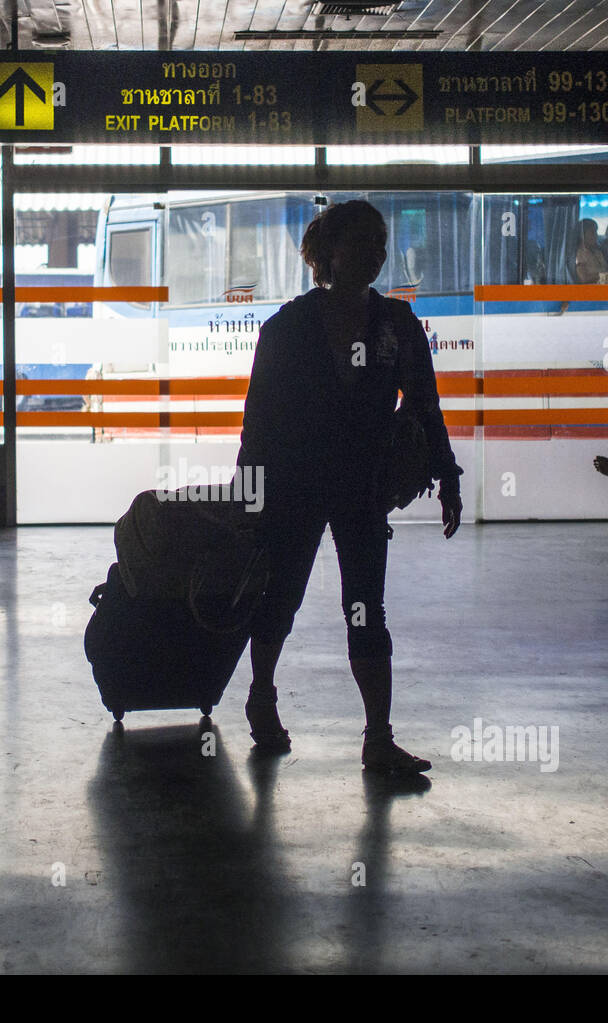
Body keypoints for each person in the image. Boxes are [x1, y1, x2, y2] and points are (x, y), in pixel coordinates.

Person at [234, 200, 463, 775]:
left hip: (361, 488)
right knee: (281, 599)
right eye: (363, 242)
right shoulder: (287, 329)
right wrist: (248, 494)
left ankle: (378, 736)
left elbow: (426, 405)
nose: (376, 254)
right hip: (296, 487)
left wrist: (448, 475)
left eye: (380, 244)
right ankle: (262, 696)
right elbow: (258, 422)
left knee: (364, 608)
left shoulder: (397, 325)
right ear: (330, 252)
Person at [574, 218, 608, 283]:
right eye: (592, 232)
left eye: (596, 232)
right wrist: (605, 275)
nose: (596, 235)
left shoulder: (598, 252)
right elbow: (583, 278)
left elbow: (605, 268)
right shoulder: (578, 254)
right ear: (582, 235)